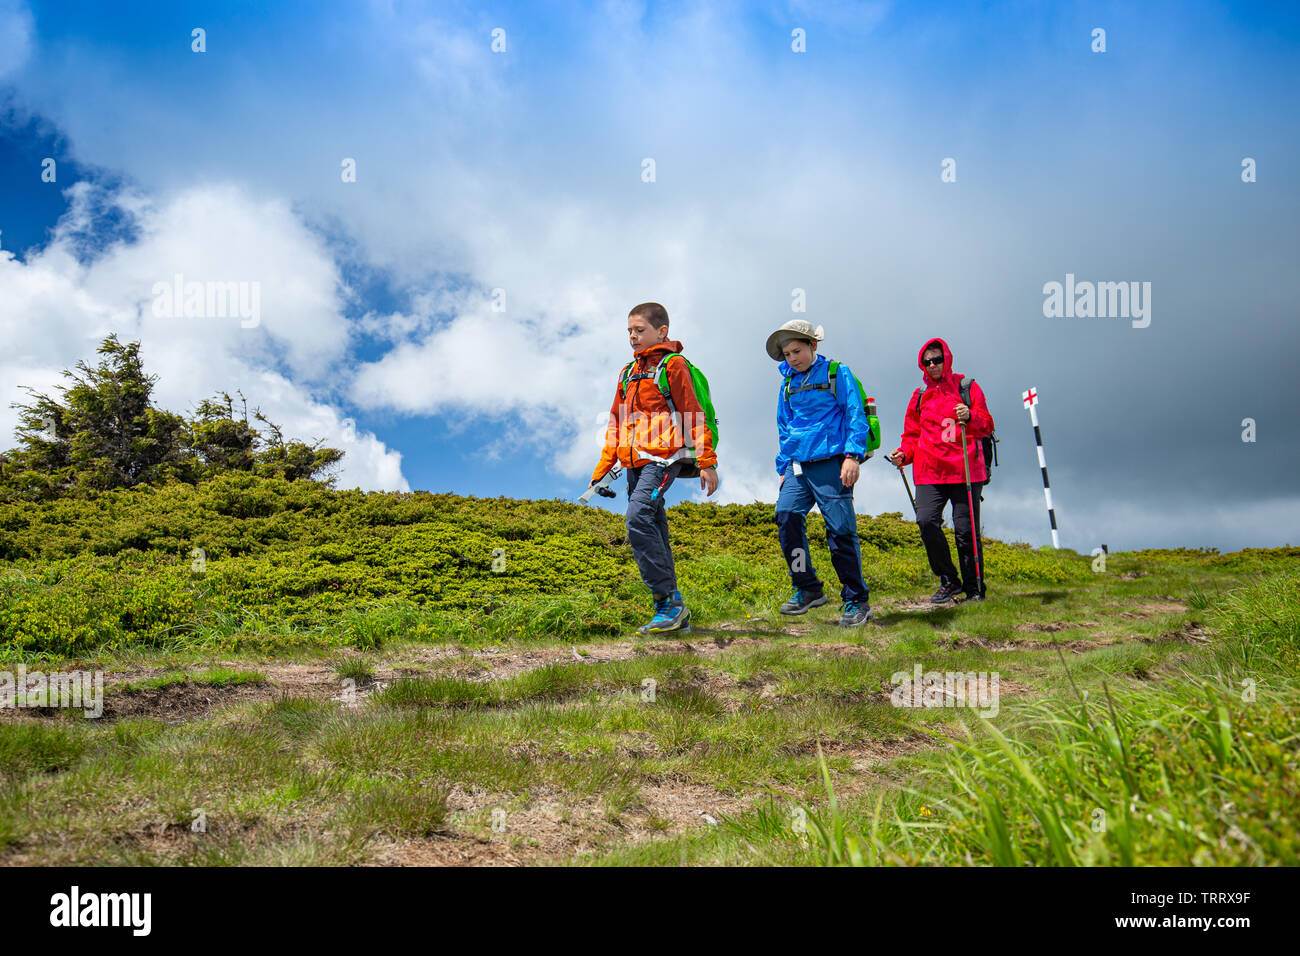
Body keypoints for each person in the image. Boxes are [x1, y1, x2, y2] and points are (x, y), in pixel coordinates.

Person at [590, 302, 718, 634]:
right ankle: (674, 611)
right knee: (653, 525)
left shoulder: (673, 366)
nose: (633, 336)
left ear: (661, 331)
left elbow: (693, 413)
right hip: (633, 460)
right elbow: (616, 423)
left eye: (639, 330)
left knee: (637, 517)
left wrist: (707, 462)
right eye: (629, 331)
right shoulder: (627, 373)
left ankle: (668, 604)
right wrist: (603, 468)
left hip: (664, 458)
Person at [767, 319, 872, 626]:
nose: (792, 358)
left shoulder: (837, 373)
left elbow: (855, 413)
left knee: (839, 531)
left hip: (832, 462)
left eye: (797, 351)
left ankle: (856, 600)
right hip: (797, 466)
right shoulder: (787, 385)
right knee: (786, 516)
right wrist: (783, 466)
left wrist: (853, 456)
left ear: (813, 346)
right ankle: (808, 588)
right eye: (787, 354)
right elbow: (784, 426)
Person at [888, 337, 994, 603]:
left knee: (966, 532)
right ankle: (948, 580)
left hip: (965, 470)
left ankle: (974, 589)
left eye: (937, 360)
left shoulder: (966, 387)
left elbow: (987, 425)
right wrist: (904, 454)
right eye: (927, 362)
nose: (932, 365)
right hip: (929, 471)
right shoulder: (920, 395)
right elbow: (912, 435)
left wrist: (970, 416)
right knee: (926, 521)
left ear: (947, 359)